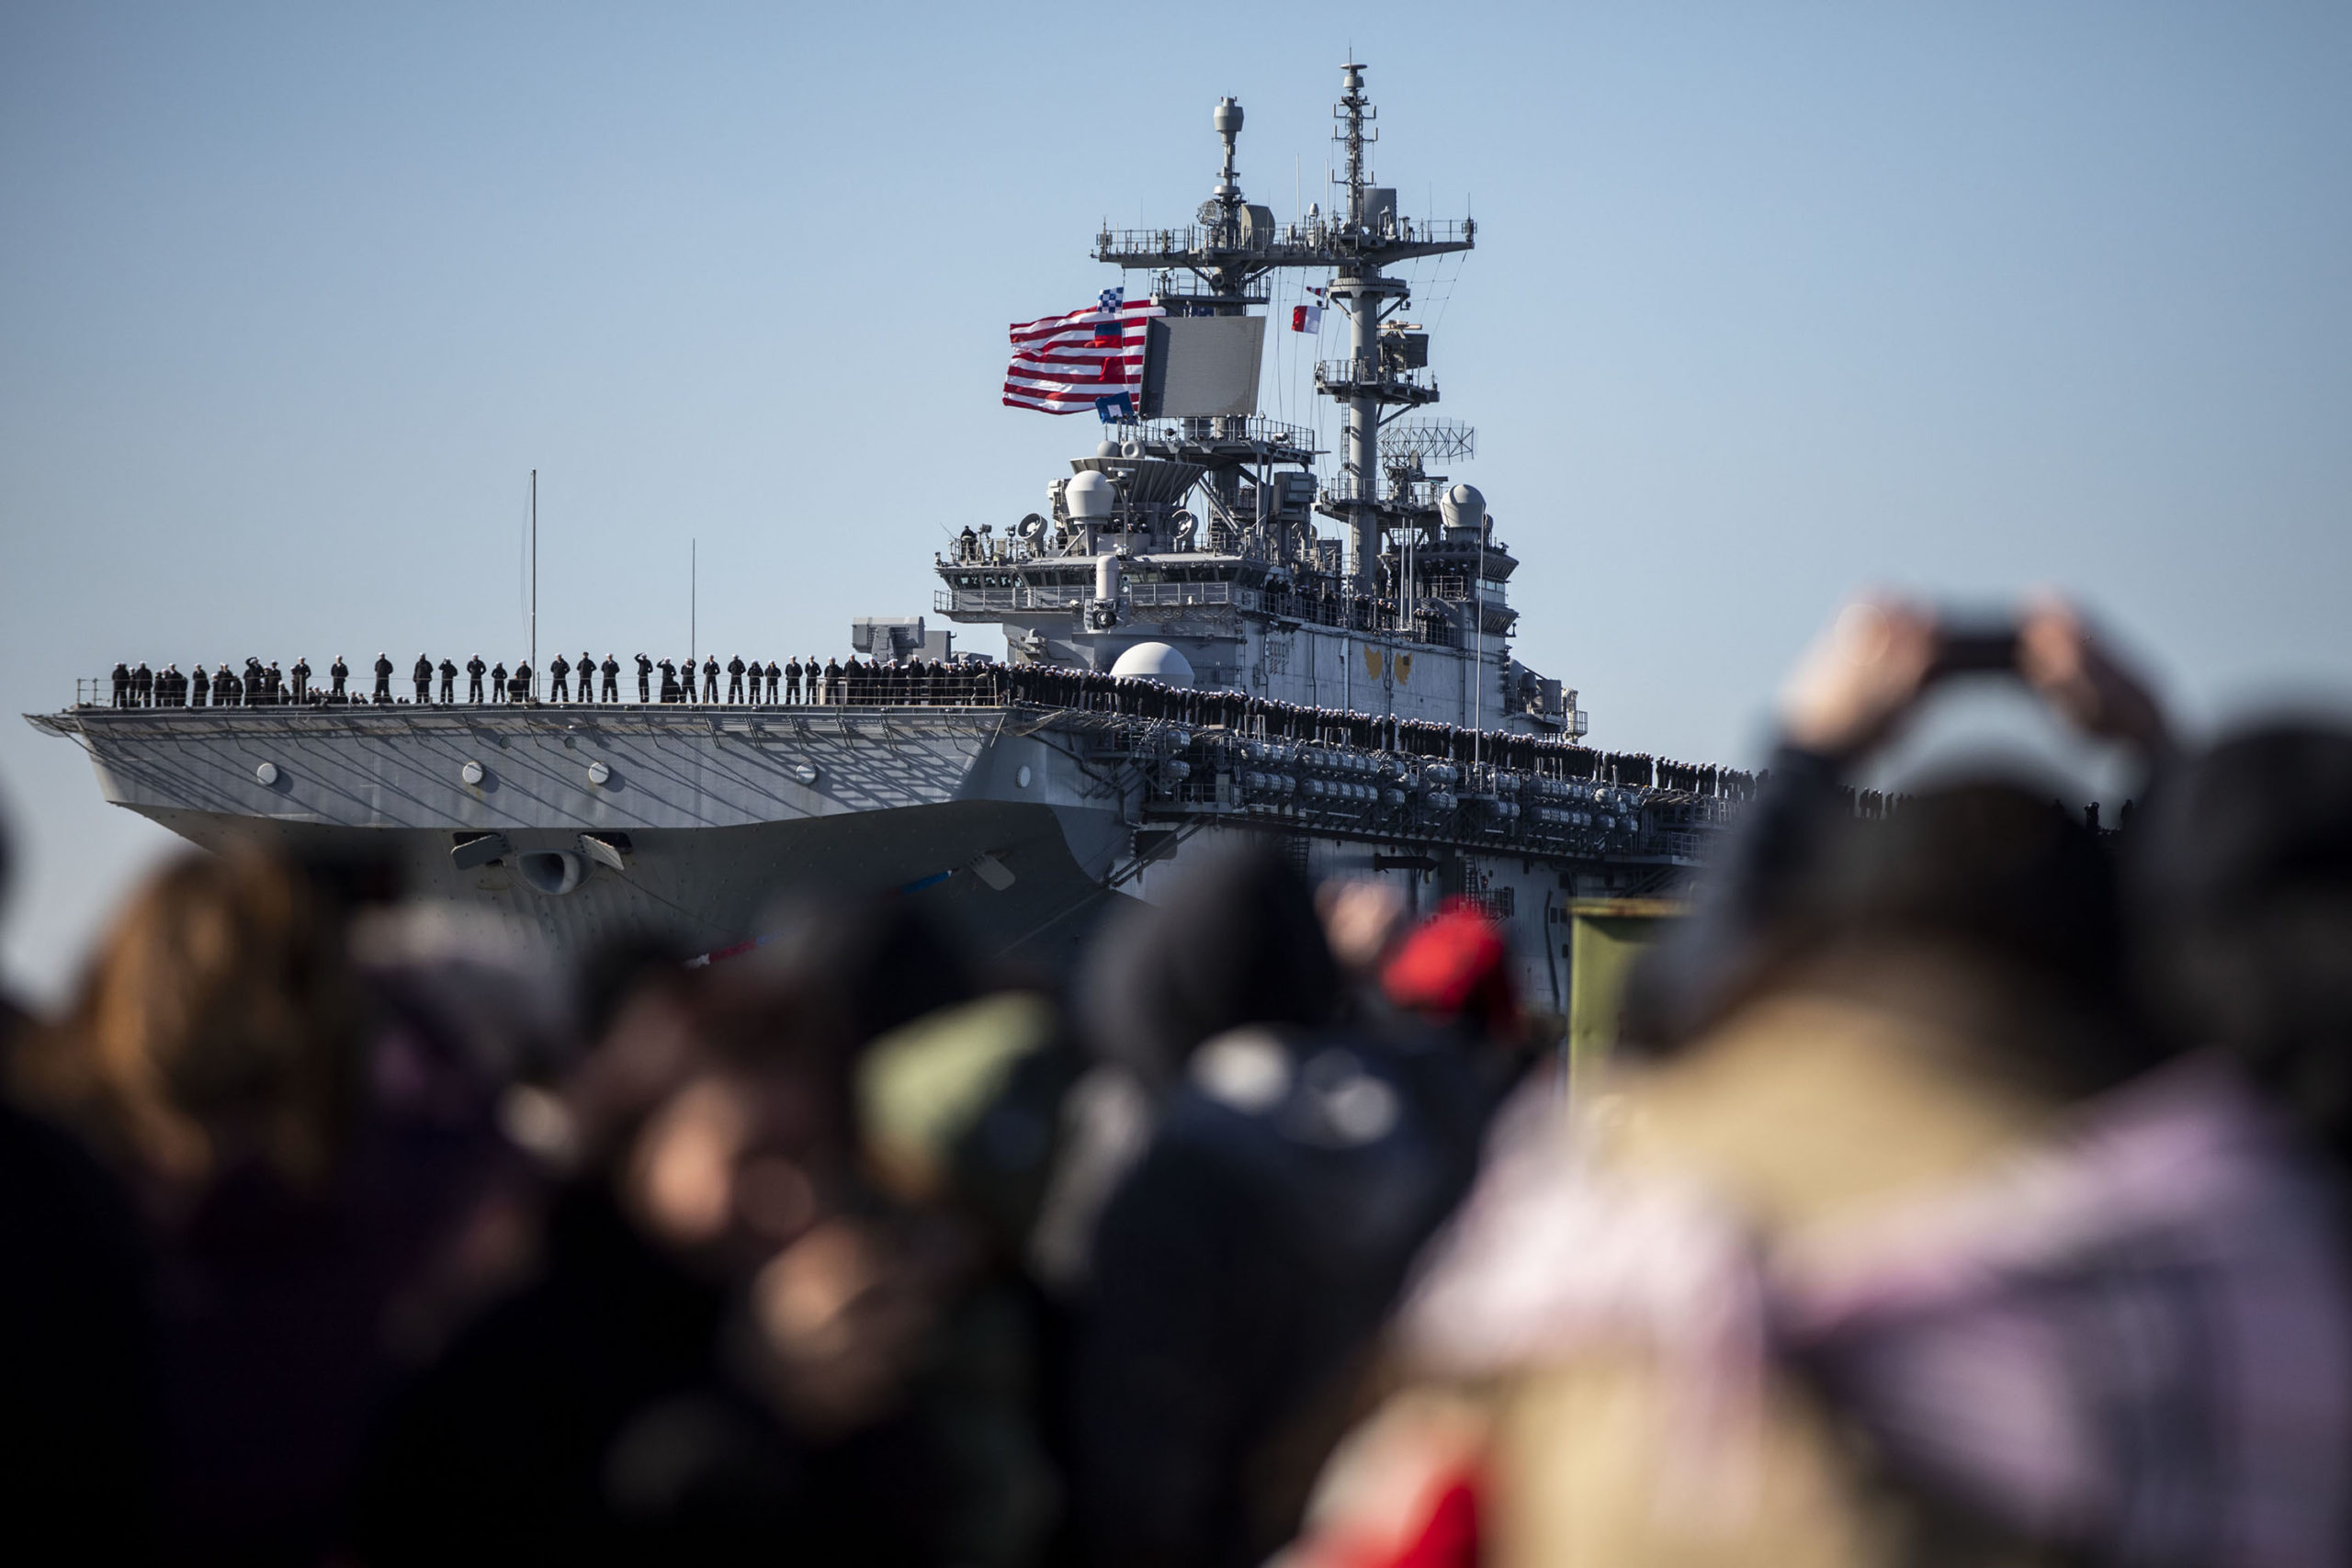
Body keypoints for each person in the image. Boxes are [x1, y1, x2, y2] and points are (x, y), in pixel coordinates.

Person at [1292, 597, 2352, 1568]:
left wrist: (1804, 751)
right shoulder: (2260, 1237)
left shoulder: (1593, 1225)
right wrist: (2165, 757)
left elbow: (1663, 1033)